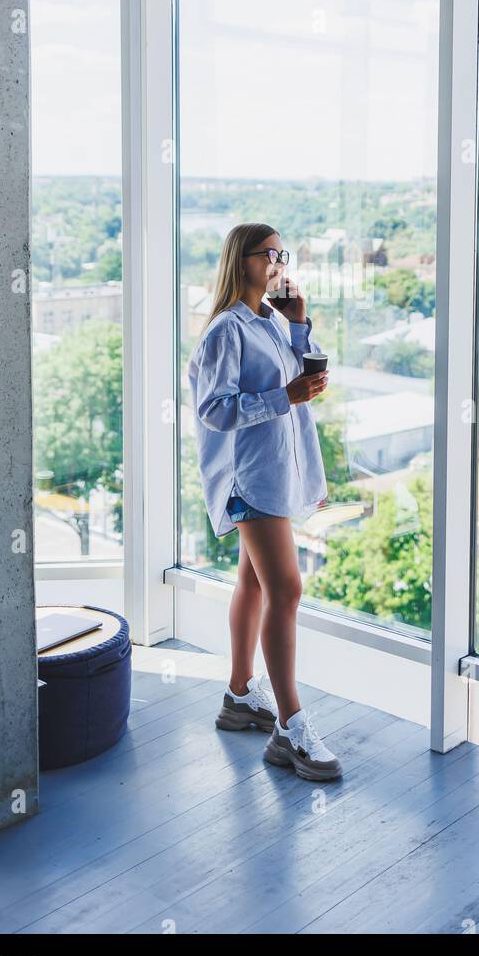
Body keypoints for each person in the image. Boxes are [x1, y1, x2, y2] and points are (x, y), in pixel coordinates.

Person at [187, 222, 343, 781]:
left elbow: (298, 379)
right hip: (248, 479)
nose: (279, 261)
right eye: (268, 254)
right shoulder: (226, 332)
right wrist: (285, 396)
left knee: (253, 583)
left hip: (274, 472)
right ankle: (289, 729)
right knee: (287, 588)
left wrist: (299, 322)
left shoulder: (270, 323)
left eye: (284, 253)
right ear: (242, 260)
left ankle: (238, 696)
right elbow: (214, 409)